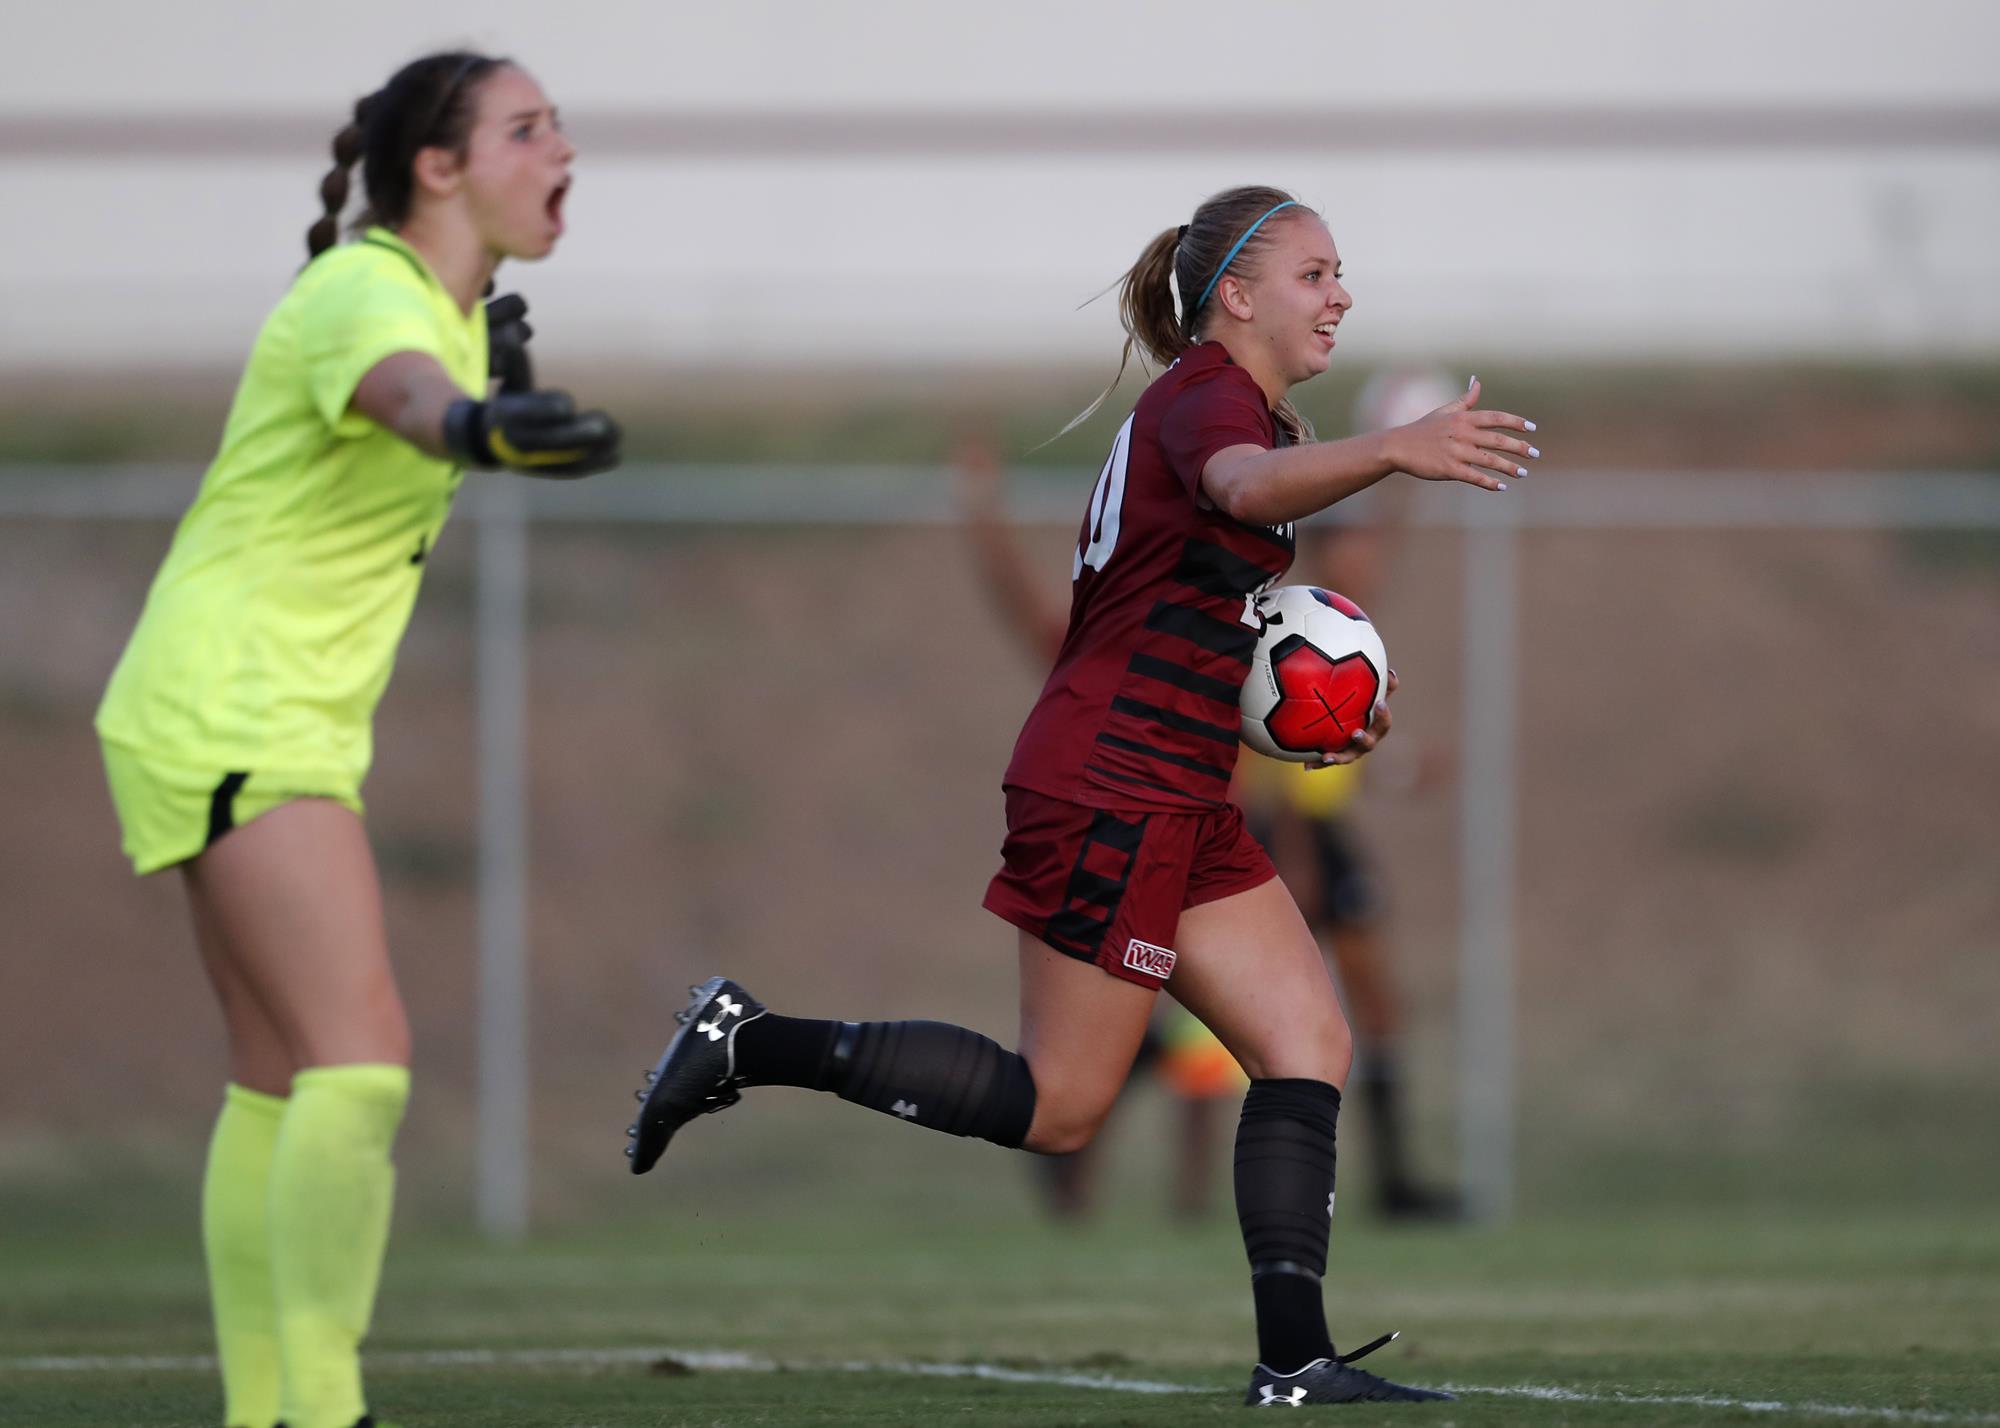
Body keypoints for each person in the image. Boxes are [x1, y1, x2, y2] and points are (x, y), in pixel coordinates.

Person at [626, 185, 1534, 1406]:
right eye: (1315, 274)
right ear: (1235, 296)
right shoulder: (1209, 399)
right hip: (1108, 781)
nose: (1340, 296)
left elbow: (1202, 609)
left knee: (1306, 1042)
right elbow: (1241, 491)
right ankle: (746, 1039)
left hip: (1176, 785)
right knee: (1059, 1107)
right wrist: (1389, 448)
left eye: (1339, 275)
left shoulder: (1236, 406)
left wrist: (1323, 718)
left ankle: (1295, 1358)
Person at [95, 51, 620, 1428]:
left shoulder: (444, 310)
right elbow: (394, 389)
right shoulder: (366, 291)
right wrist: (474, 425)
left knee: (278, 1079)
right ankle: (324, 1413)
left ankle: (266, 1409)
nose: (559, 147)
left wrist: (479, 404)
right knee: (361, 1061)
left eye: (559, 125)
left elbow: (428, 387)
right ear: (437, 169)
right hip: (235, 708)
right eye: (524, 129)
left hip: (234, 708)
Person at [959, 437, 1247, 1221]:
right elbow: (1020, 604)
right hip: (1116, 845)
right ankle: (1071, 1193)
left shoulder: (1230, 645)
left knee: (1211, 1060)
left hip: (1204, 867)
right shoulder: (1099, 652)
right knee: (1080, 1080)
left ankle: (1191, 1213)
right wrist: (983, 509)